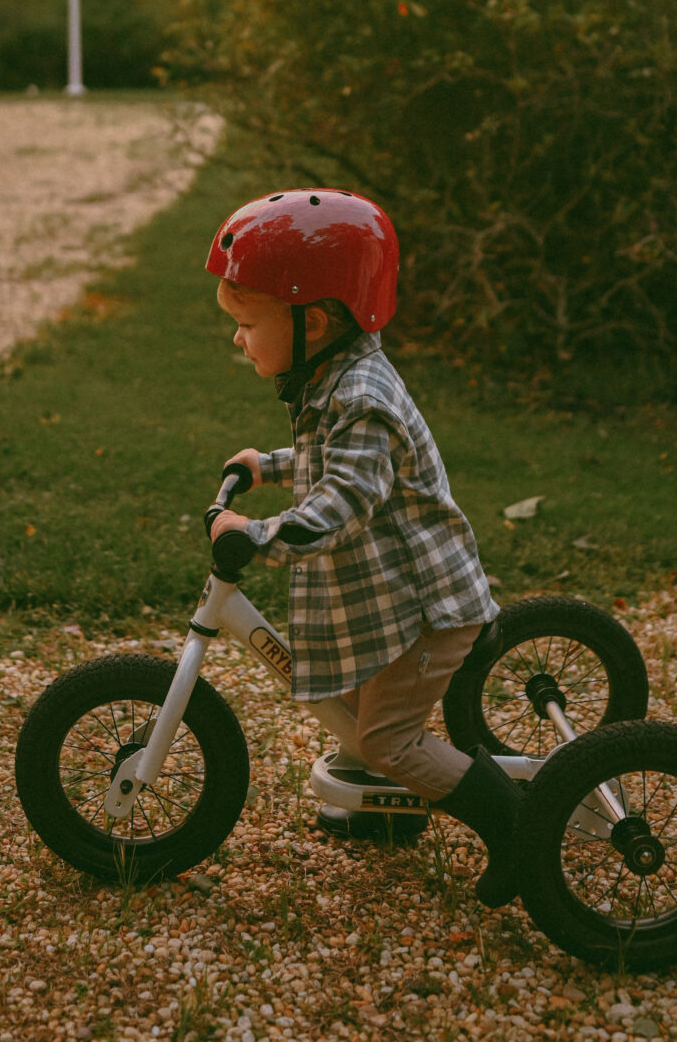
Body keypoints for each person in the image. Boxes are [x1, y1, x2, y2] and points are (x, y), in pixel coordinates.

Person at [205, 188, 522, 908]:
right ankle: (385, 808)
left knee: (386, 739)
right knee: (347, 694)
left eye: (246, 323)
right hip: (384, 593)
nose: (236, 338)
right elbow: (334, 460)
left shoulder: (363, 396)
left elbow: (343, 503)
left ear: (310, 321)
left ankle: (515, 829)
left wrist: (256, 538)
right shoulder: (333, 376)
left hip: (421, 606)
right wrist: (272, 464)